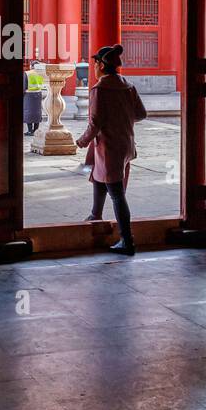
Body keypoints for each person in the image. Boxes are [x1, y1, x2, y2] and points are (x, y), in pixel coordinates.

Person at [76, 44, 147, 255]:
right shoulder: (129, 86)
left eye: (95, 63)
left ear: (100, 65)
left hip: (109, 148)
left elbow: (95, 124)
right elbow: (141, 113)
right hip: (125, 144)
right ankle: (95, 213)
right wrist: (122, 118)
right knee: (99, 177)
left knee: (117, 194)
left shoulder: (99, 90)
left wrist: (81, 141)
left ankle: (127, 240)